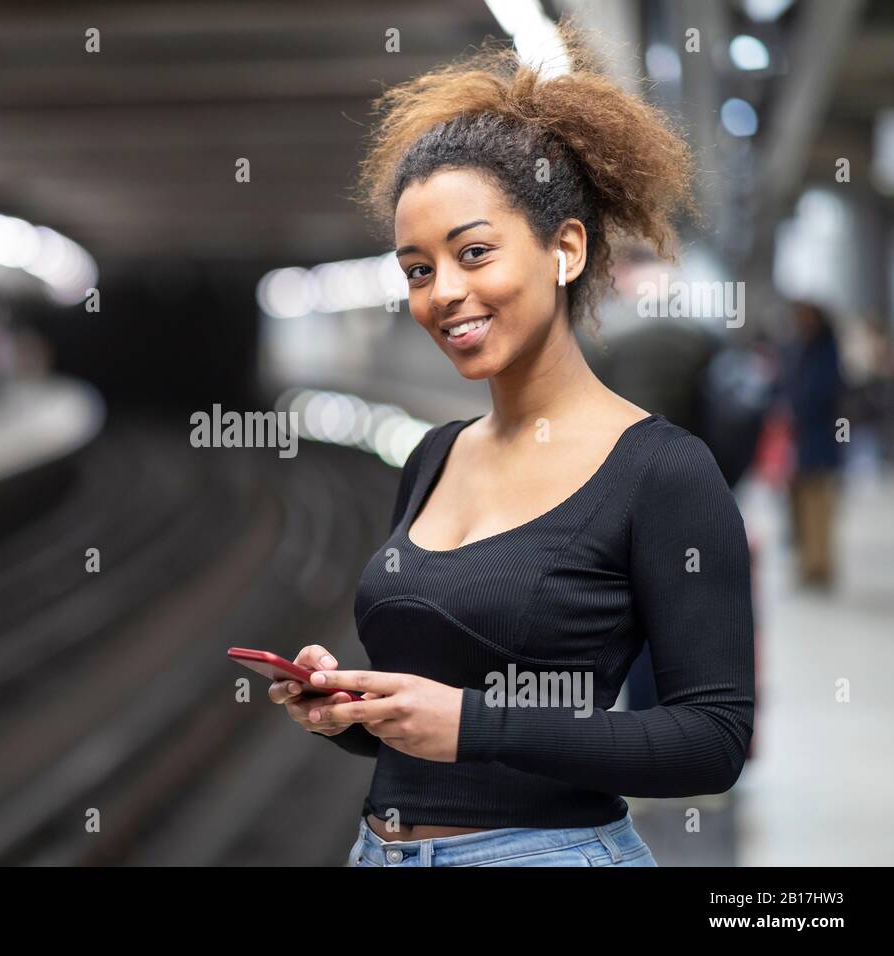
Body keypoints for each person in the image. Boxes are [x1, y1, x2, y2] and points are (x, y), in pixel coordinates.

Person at [268, 33, 754, 867]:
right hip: (379, 851)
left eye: (473, 253)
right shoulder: (434, 456)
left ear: (565, 249)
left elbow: (711, 738)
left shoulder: (663, 471)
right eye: (417, 269)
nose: (444, 292)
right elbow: (436, 729)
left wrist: (473, 723)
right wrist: (355, 708)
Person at [782, 300, 846, 589]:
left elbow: (822, 391)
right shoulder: (801, 347)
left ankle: (820, 564)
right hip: (803, 438)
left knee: (819, 501)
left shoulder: (824, 350)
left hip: (820, 437)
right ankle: (810, 561)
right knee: (803, 503)